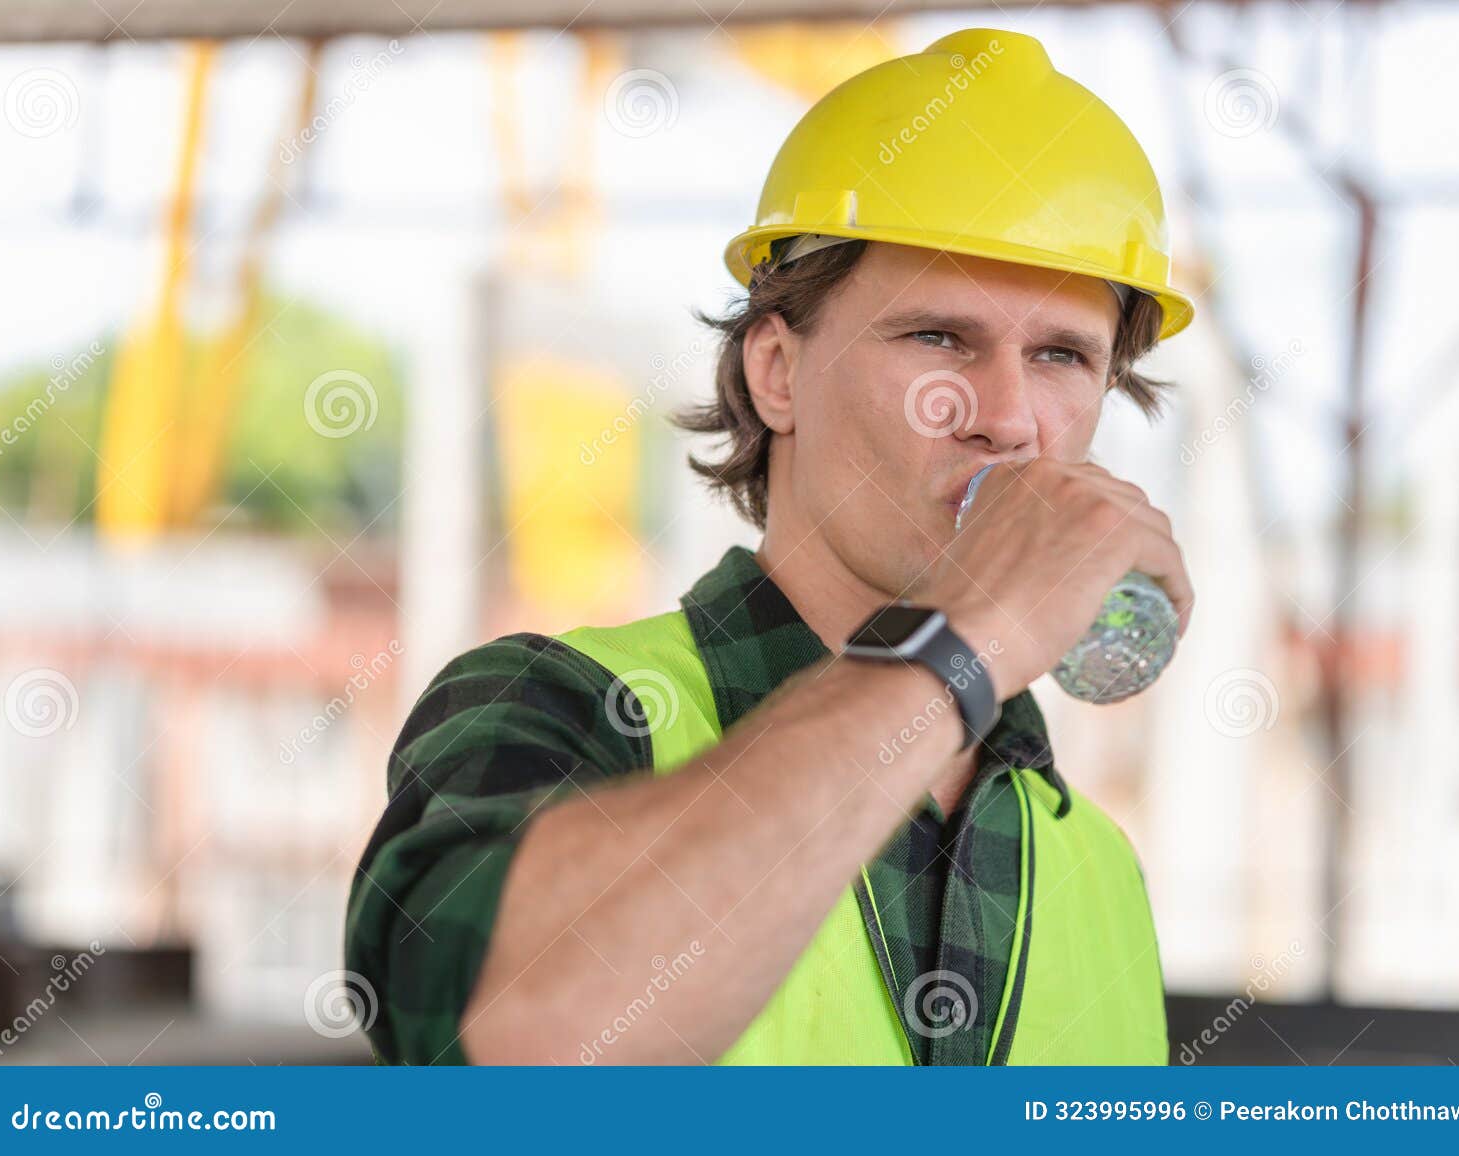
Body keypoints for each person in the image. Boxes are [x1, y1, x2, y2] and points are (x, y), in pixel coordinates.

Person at [345, 25, 1196, 1066]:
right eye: (938, 338)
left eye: (1062, 355)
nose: (1008, 418)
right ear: (776, 373)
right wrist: (967, 641)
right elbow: (518, 1039)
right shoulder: (560, 710)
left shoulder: (1097, 869)